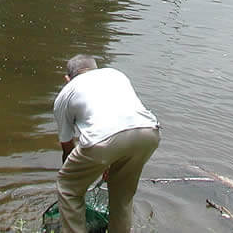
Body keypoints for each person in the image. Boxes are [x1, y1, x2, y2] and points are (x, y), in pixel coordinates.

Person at [53, 54, 160, 233]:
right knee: (122, 196)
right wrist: (106, 161)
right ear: (96, 69)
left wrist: (78, 178)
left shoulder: (66, 93)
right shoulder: (115, 74)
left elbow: (67, 146)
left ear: (67, 79)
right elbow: (118, 123)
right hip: (149, 133)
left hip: (104, 141)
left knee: (67, 187)